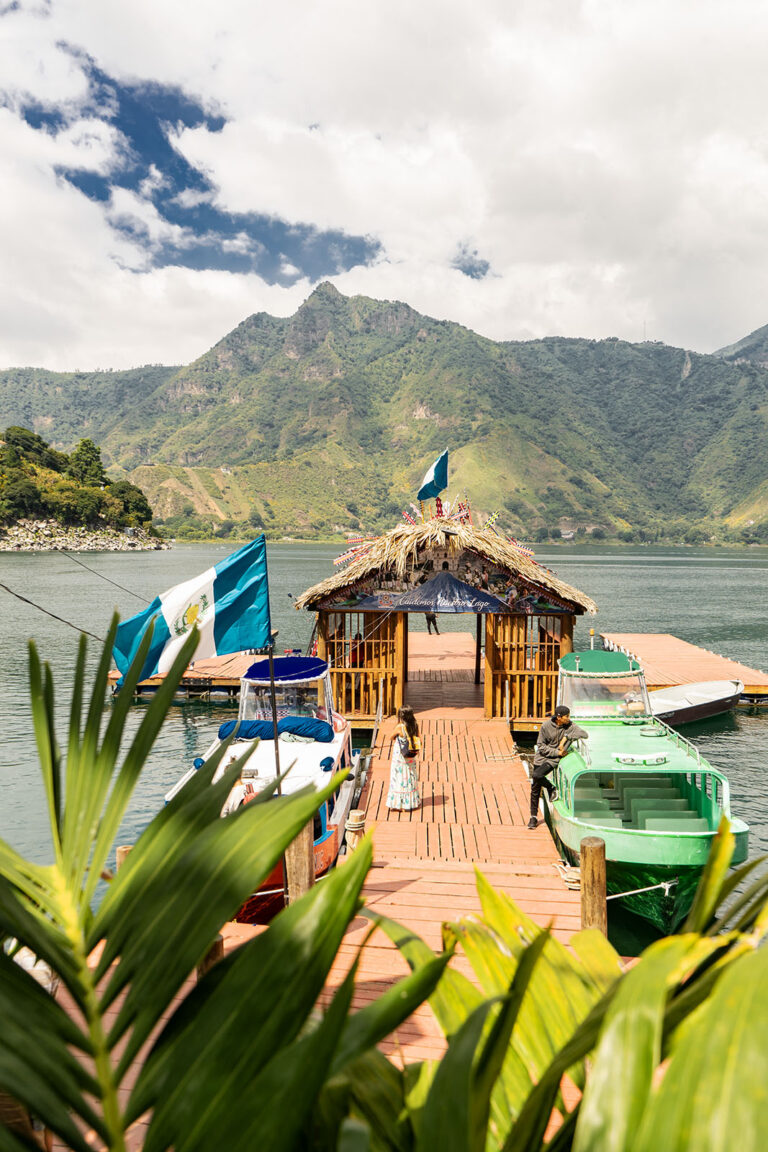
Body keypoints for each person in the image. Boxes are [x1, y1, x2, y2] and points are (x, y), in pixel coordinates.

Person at [528, 705, 588, 829]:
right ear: (559, 717)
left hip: (553, 760)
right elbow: (541, 746)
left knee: (537, 775)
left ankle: (551, 788)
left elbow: (584, 734)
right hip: (542, 757)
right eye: (567, 716)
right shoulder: (545, 726)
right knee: (535, 787)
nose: (569, 718)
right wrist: (557, 752)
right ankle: (533, 816)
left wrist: (567, 737)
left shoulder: (570, 726)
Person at [386, 705, 421, 810]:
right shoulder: (415, 725)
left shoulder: (400, 727)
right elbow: (419, 738)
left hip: (400, 757)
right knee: (410, 777)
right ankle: (410, 802)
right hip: (411, 756)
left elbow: (391, 737)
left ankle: (399, 804)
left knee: (398, 777)